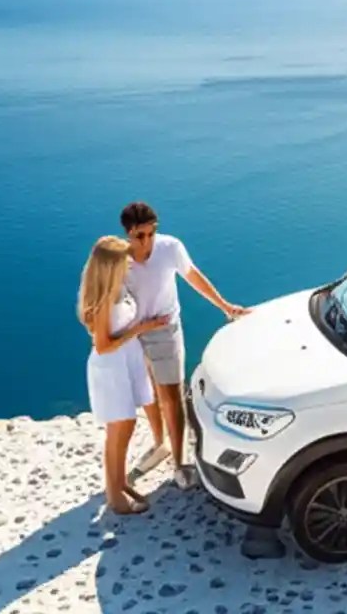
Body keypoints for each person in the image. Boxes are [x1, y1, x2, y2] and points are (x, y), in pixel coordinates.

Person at [120, 202, 250, 489]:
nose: (147, 241)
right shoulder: (119, 260)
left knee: (172, 395)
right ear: (128, 234)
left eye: (151, 233)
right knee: (147, 393)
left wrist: (225, 306)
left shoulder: (170, 248)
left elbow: (192, 275)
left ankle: (179, 462)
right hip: (135, 333)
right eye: (140, 236)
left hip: (165, 329)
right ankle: (159, 444)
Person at [77, 235, 170, 515]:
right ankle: (115, 497)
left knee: (127, 427)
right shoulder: (105, 299)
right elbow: (104, 345)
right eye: (124, 261)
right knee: (118, 431)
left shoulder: (118, 288)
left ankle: (118, 484)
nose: (130, 263)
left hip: (128, 360)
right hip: (111, 366)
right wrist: (139, 330)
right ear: (110, 267)